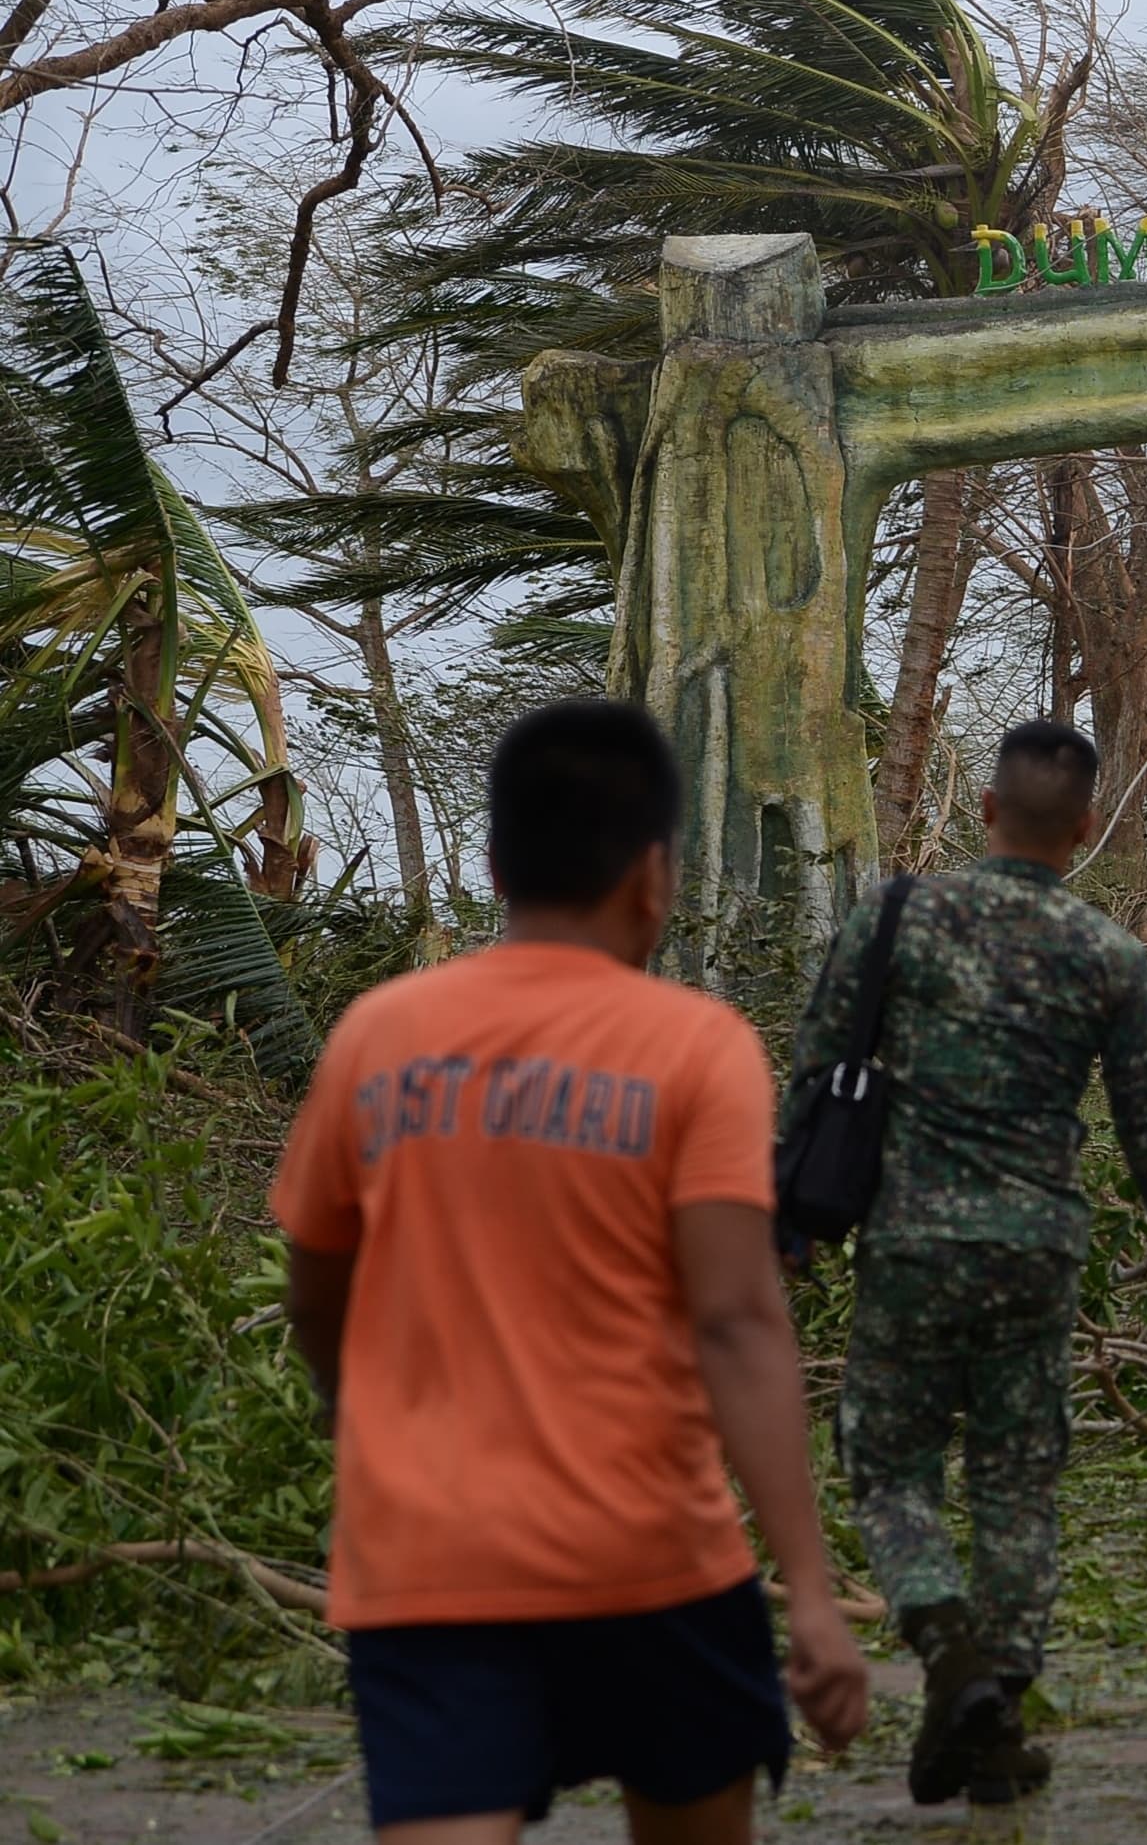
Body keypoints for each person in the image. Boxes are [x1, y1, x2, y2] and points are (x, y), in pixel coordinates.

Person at [272, 698, 871, 1845]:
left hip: (425, 1561)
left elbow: (314, 1282)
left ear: (493, 866)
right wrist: (811, 1589)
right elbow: (738, 1321)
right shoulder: (697, 1048)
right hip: (654, 1560)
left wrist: (361, 1419)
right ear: (655, 874)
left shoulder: (377, 1036)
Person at [796, 719, 1147, 1807]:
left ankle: (943, 1636)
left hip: (907, 1243)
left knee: (890, 1462)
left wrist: (797, 1223)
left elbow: (817, 1071)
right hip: (1037, 1254)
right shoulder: (1109, 956)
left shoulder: (895, 918)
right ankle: (993, 1713)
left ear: (988, 811)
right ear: (1087, 827)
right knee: (1015, 1486)